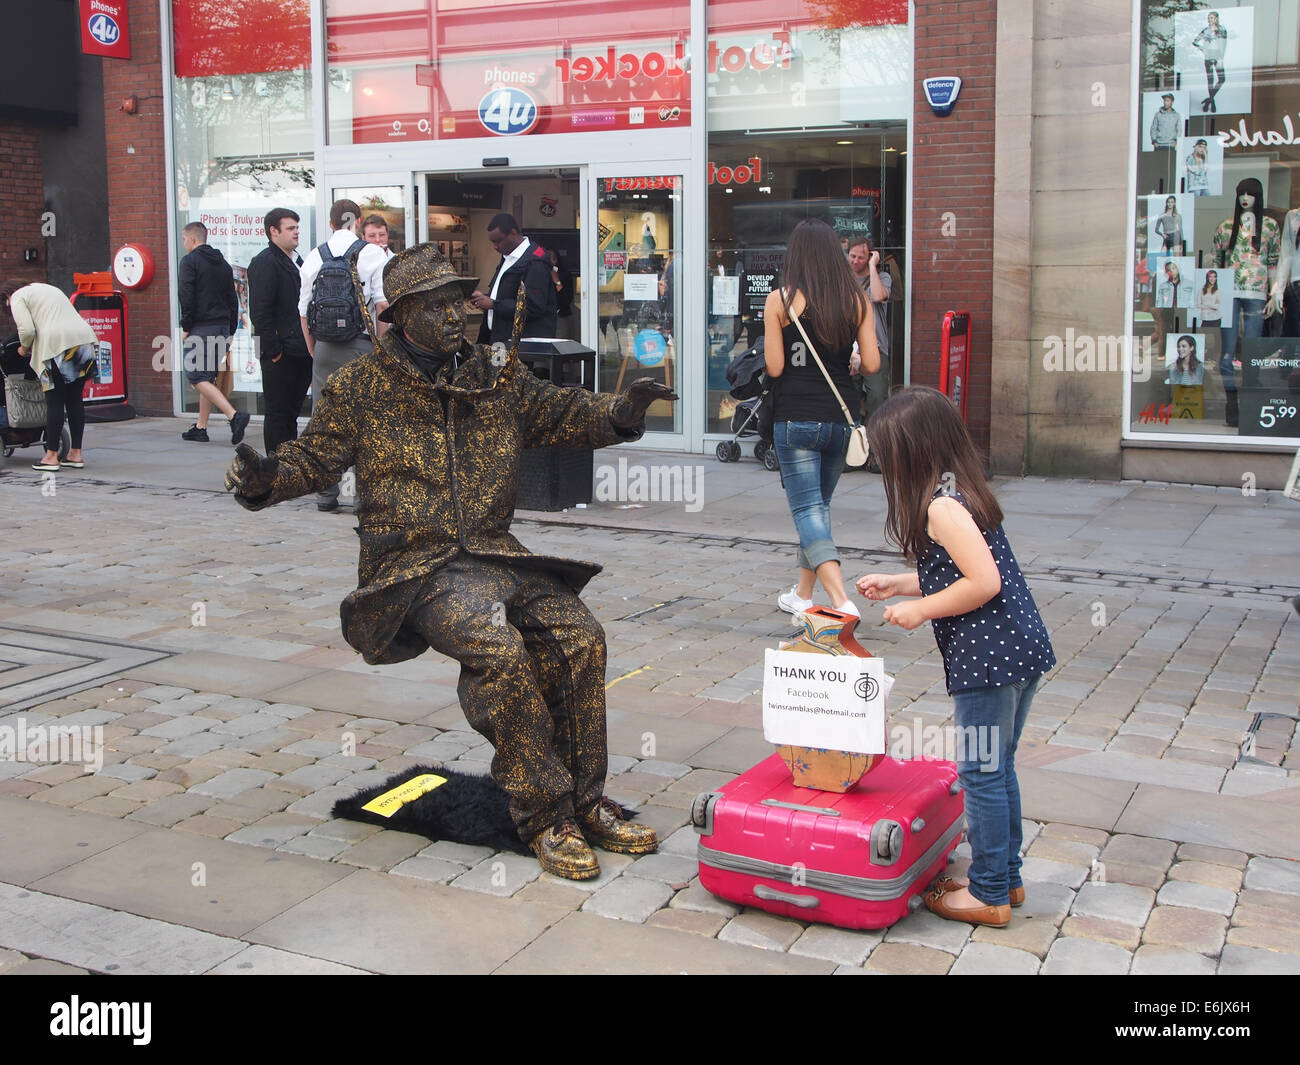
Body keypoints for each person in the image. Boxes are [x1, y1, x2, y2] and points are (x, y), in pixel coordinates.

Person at [225, 243, 677, 880]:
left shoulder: (493, 373)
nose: (454, 315)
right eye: (436, 305)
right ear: (402, 315)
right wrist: (263, 478)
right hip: (415, 567)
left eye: (457, 302)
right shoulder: (362, 386)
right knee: (499, 650)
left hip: (494, 555)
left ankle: (584, 799)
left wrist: (622, 411)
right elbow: (314, 458)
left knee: (581, 636)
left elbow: (562, 411)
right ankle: (545, 815)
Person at [856, 386, 1055, 928]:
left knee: (981, 773)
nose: (884, 466)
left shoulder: (941, 508)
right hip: (1017, 648)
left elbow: (983, 582)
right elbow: (958, 571)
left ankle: (988, 893)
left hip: (987, 659)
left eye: (888, 453)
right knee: (998, 767)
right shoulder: (961, 491)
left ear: (913, 451)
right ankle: (1006, 878)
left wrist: (921, 611)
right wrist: (900, 583)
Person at [764, 219, 879, 618]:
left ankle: (842, 602)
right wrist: (852, 359)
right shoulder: (856, 300)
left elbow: (775, 368)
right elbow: (873, 364)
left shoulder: (780, 300)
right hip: (839, 419)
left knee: (808, 511)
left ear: (795, 255)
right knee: (819, 508)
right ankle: (802, 594)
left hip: (795, 418)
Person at [299, 197, 389, 511]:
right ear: (358, 222)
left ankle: (326, 496)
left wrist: (314, 349)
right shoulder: (372, 253)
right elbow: (382, 306)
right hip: (361, 345)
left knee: (325, 423)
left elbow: (303, 311)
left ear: (331, 223)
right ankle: (364, 498)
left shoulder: (315, 256)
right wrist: (380, 348)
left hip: (324, 348)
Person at [1, 279, 97, 471]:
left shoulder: (17, 296)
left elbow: (27, 330)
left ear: (6, 296)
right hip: (84, 341)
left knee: (55, 401)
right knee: (75, 400)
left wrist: (23, 349)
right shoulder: (48, 288)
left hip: (57, 346)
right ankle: (75, 454)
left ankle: (51, 457)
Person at [1213, 178, 1281, 426]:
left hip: (1257, 292)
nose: (1245, 198)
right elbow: (1217, 263)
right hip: (1229, 292)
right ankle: (1231, 404)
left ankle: (1250, 406)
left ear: (1258, 197)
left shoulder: (1270, 226)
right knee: (1227, 352)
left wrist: (1274, 293)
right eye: (1241, 193)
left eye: (1250, 194)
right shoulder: (1225, 227)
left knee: (1252, 352)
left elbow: (1273, 262)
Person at [178, 222, 248, 445]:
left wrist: (186, 326)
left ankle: (234, 416)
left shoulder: (189, 262)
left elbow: (186, 296)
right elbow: (232, 299)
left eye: (184, 239)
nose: (184, 243)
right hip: (221, 327)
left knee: (196, 377)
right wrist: (230, 330)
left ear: (193, 239)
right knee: (207, 377)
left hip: (201, 327)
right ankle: (200, 428)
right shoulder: (223, 265)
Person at [248, 208, 310, 455]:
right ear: (274, 231)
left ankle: (289, 463)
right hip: (280, 352)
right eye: (290, 228)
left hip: (299, 349)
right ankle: (276, 466)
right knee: (278, 414)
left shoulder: (297, 260)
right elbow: (259, 312)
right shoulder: (265, 262)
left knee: (291, 412)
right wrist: (273, 350)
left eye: (297, 227)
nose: (296, 232)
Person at [469, 213, 557, 344]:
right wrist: (484, 298)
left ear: (513, 233)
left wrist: (493, 304)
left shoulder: (535, 262)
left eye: (498, 241)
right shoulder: (509, 257)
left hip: (522, 344)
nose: (495, 247)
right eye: (492, 242)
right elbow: (507, 295)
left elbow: (533, 306)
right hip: (501, 339)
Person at [847, 237, 892, 420]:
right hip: (848, 349)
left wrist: (873, 266)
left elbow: (878, 296)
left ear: (871, 257)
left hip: (875, 348)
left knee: (878, 399)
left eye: (861, 257)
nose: (855, 261)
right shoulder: (843, 280)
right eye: (852, 256)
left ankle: (875, 437)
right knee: (849, 400)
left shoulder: (882, 278)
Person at [1270, 207, 1300, 337]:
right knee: (1294, 332)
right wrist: (1279, 290)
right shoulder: (1293, 216)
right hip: (1296, 283)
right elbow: (1286, 254)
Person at [1193, 11, 1228, 114]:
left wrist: (1221, 58)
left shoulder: (1222, 30)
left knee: (1222, 79)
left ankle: (1209, 100)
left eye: (1211, 17)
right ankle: (1212, 101)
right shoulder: (1205, 30)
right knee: (1210, 80)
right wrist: (1202, 49)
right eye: (1208, 18)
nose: (1209, 19)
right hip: (1208, 56)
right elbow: (1195, 41)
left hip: (1218, 55)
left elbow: (1224, 45)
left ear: (1216, 19)